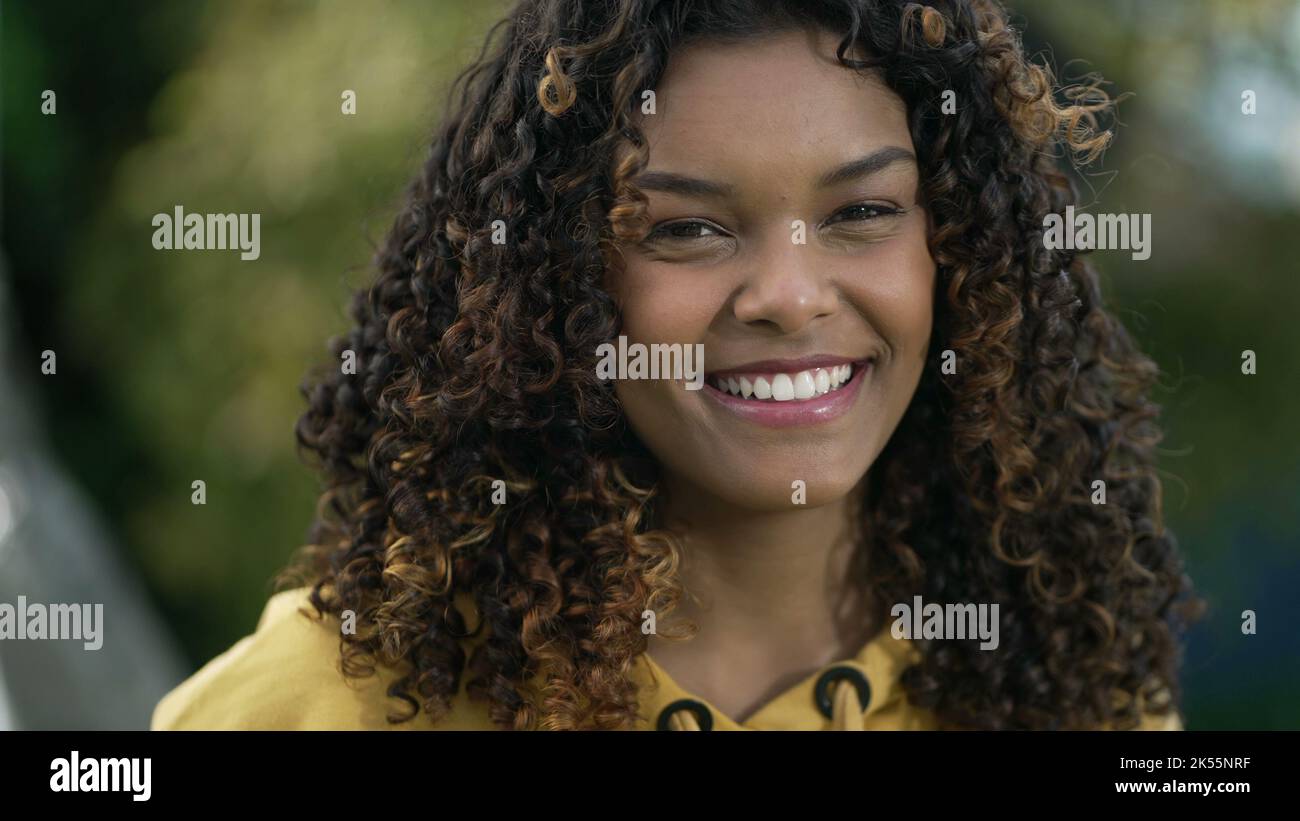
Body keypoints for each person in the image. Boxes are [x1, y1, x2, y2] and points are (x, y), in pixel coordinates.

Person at [153, 0, 1200, 731]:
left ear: (959, 249)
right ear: (559, 283)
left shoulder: (1068, 691)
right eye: (689, 231)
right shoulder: (323, 699)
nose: (788, 296)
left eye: (863, 213)